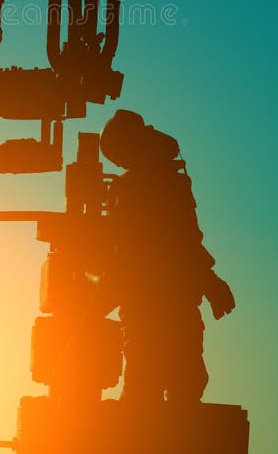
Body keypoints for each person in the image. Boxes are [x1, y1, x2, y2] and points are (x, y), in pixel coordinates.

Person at [100, 109, 235, 409]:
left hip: (158, 309)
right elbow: (176, 245)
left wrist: (210, 283)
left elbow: (178, 244)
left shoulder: (138, 187)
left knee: (164, 393)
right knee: (160, 392)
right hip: (160, 307)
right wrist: (210, 283)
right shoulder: (164, 183)